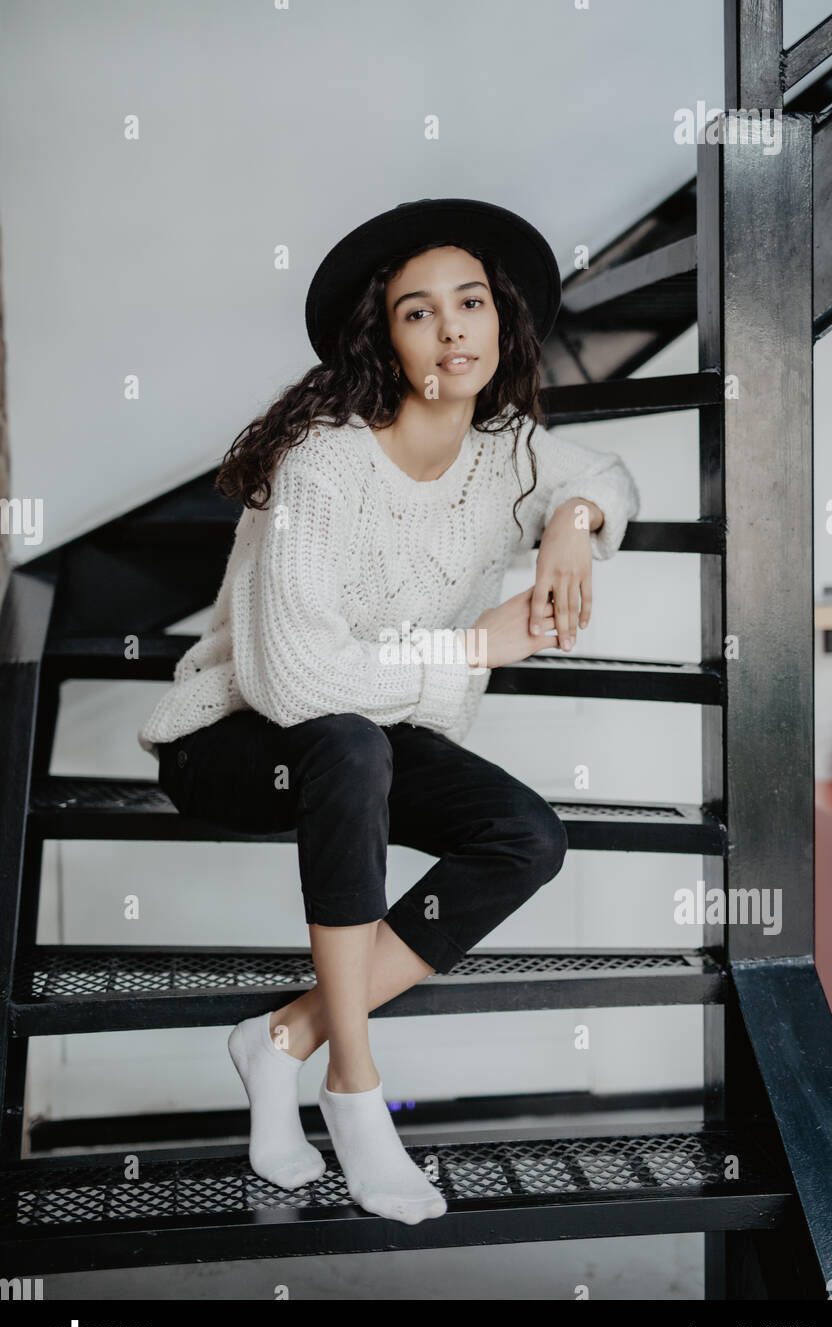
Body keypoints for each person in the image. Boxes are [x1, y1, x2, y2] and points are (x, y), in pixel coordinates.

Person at [137, 196, 640, 1226]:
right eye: (419, 312)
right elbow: (292, 685)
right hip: (231, 739)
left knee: (523, 835)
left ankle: (280, 1036)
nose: (452, 328)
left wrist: (573, 526)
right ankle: (355, 1089)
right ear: (386, 338)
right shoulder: (323, 463)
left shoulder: (505, 450)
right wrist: (466, 648)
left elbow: (598, 470)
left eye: (469, 302)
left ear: (501, 322)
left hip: (359, 736)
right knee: (352, 745)